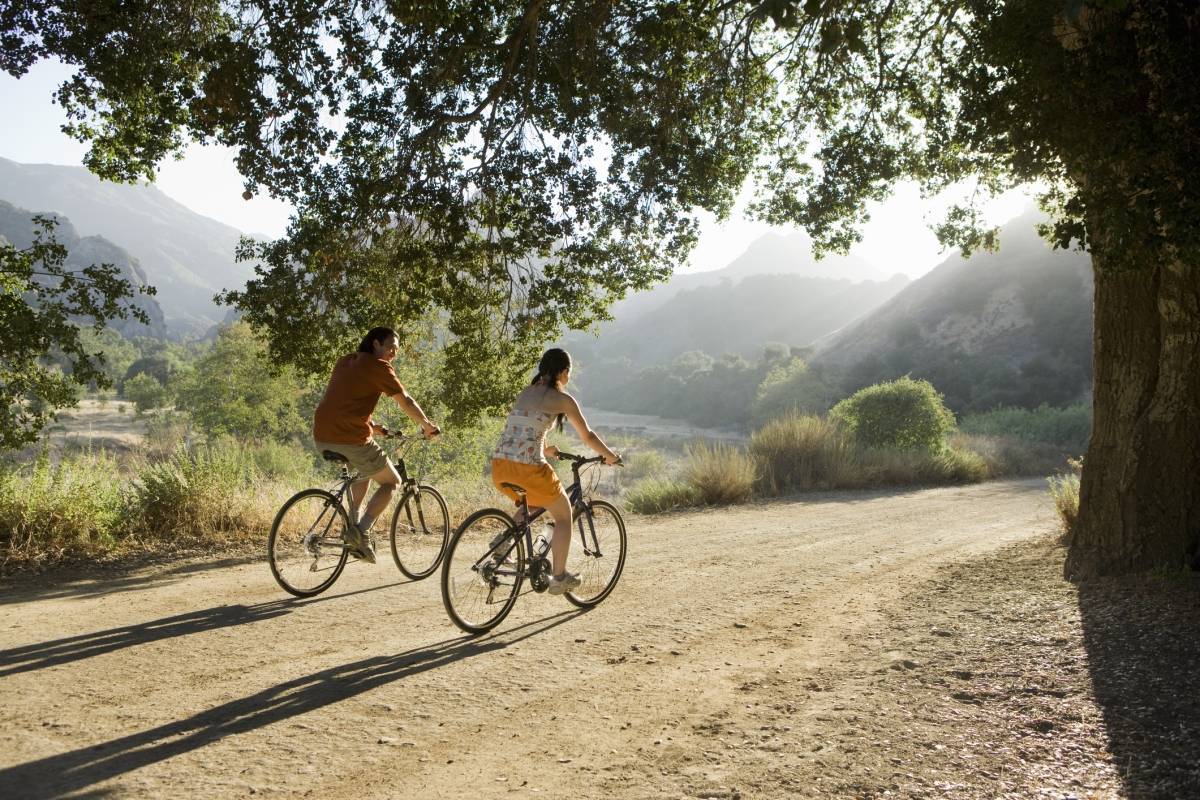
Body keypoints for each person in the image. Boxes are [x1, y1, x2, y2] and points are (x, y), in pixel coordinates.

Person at [491, 348, 620, 595]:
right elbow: (588, 435)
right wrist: (610, 456)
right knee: (563, 515)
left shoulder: (526, 392)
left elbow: (523, 429)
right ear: (563, 372)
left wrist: (544, 448)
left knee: (538, 501)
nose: (569, 376)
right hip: (527, 468)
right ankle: (559, 577)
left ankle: (504, 539)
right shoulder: (563, 399)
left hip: (500, 466)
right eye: (568, 372)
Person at [313, 327, 440, 563]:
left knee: (363, 471)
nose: (393, 353)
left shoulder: (345, 361)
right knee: (393, 482)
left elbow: (343, 401)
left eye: (396, 350)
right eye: (390, 346)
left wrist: (373, 426)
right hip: (350, 437)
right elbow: (406, 400)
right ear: (375, 344)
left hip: (322, 435)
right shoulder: (379, 366)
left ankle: (351, 525)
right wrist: (427, 425)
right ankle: (361, 532)